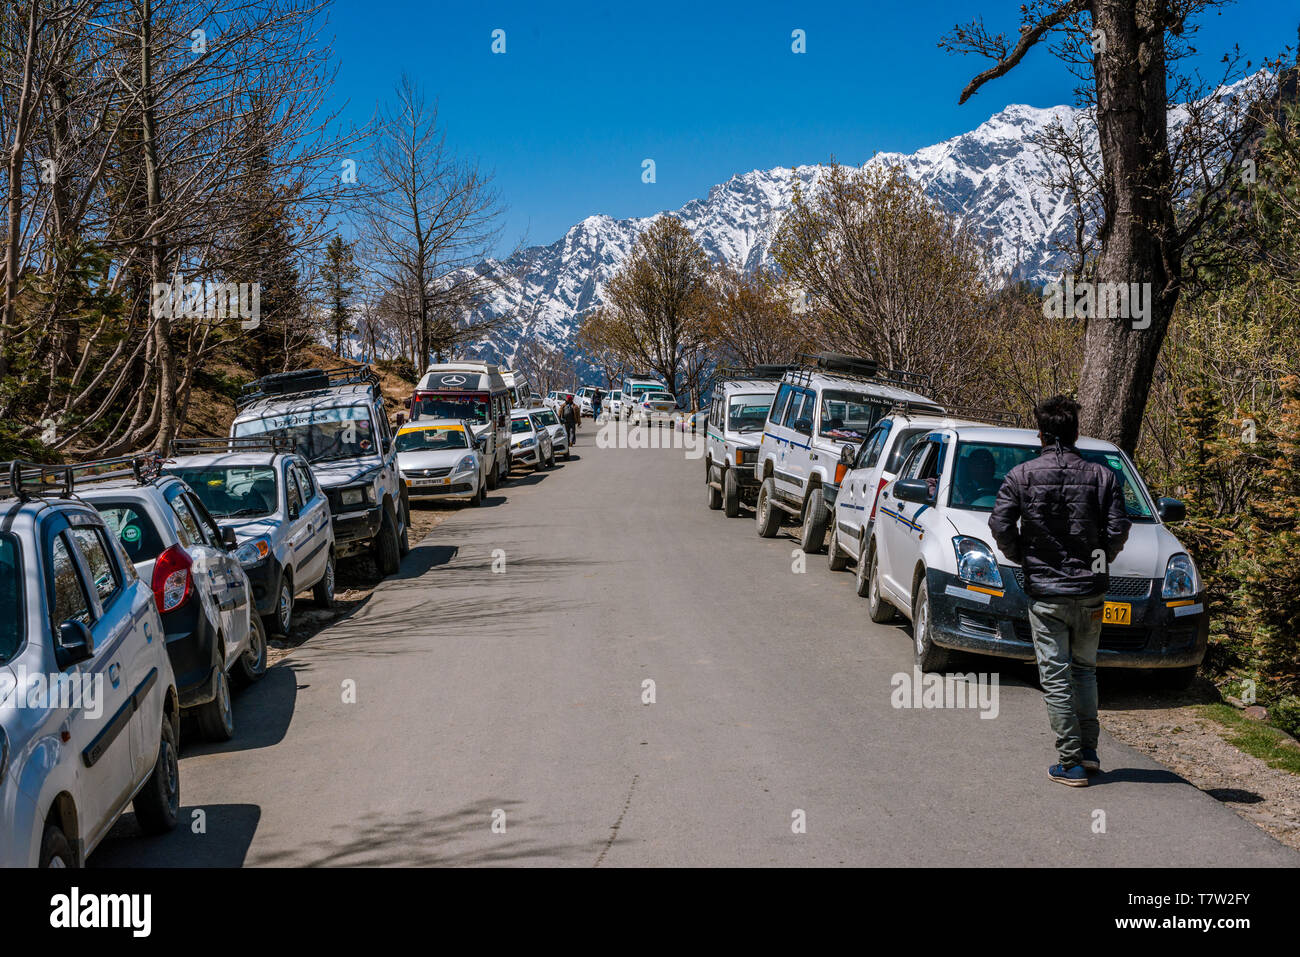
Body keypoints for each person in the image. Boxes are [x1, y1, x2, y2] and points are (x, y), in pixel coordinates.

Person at [988, 395, 1131, 788]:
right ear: (1075, 433)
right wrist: (1099, 561)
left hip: (1047, 592)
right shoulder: (1103, 476)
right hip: (1090, 591)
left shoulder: (1021, 475)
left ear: (1041, 434)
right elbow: (1118, 529)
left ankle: (1069, 761)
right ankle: (1088, 752)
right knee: (1084, 670)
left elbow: (1000, 525)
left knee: (1055, 674)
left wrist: (1024, 557)